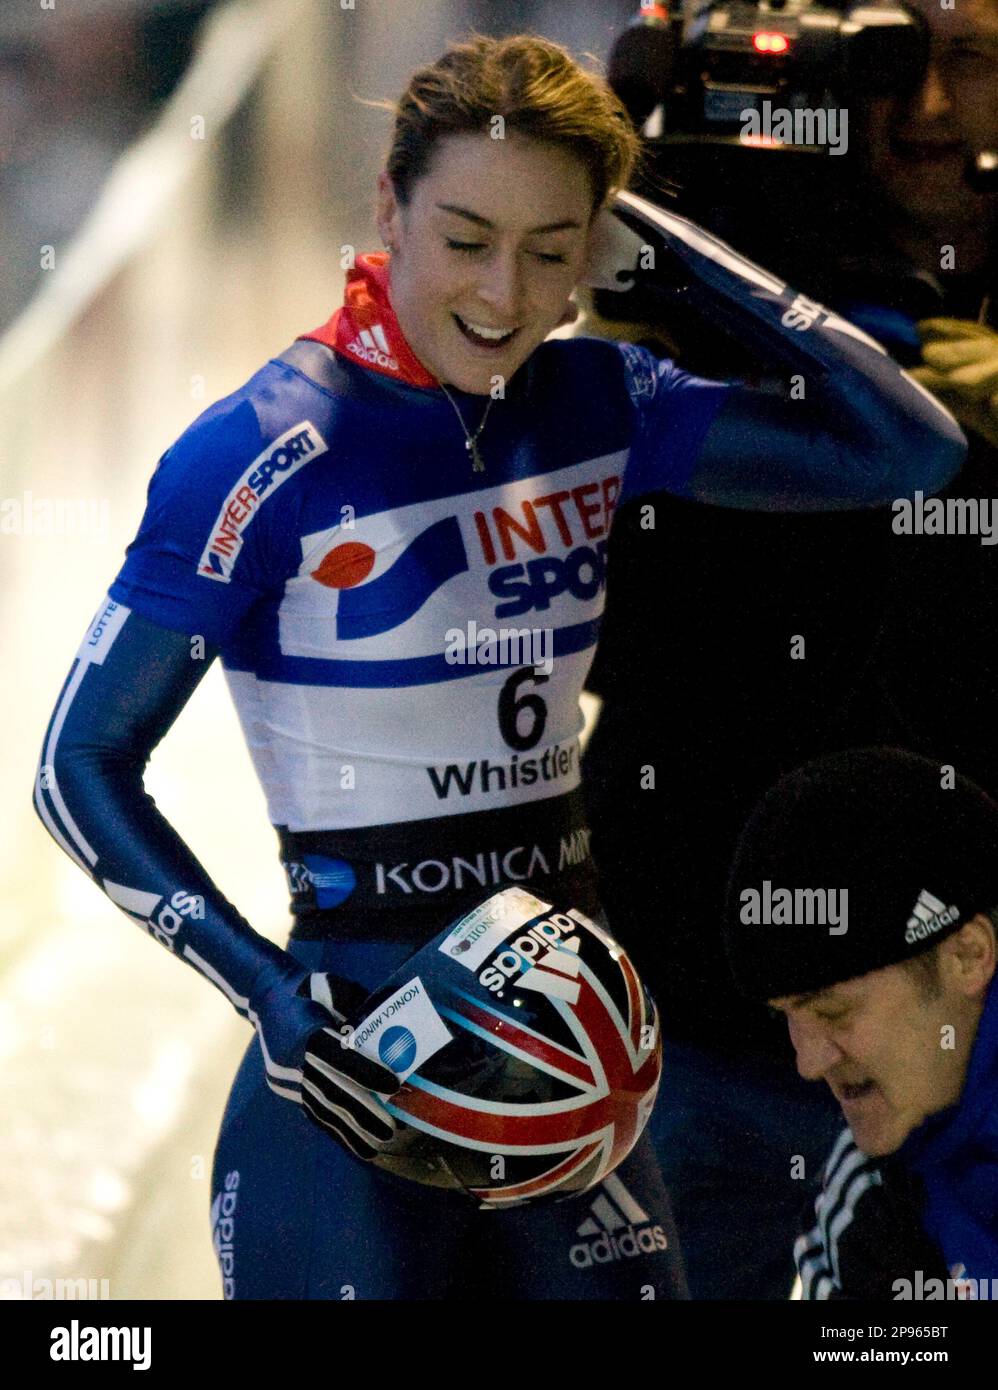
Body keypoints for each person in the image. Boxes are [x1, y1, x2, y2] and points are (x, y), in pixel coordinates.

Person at [32, 32, 963, 1301]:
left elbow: (903, 449)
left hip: (579, 1044)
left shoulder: (595, 397)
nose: (503, 298)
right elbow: (73, 765)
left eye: (550, 250)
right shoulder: (264, 448)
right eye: (465, 239)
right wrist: (262, 989)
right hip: (357, 1054)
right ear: (386, 208)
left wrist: (665, 250)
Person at [581, 0, 998, 1299]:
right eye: (882, 66)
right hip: (699, 1011)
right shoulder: (659, 352)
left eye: (968, 61)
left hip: (951, 1025)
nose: (921, 105)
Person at [724, 746, 998, 1300]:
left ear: (967, 957)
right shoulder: (873, 1199)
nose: (808, 1063)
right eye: (788, 1017)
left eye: (832, 1011)